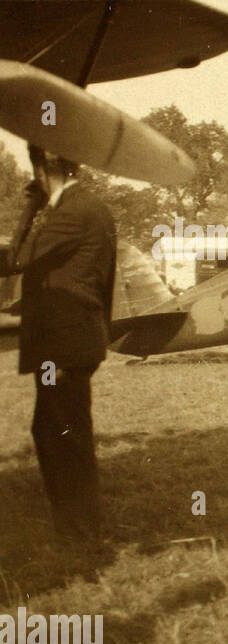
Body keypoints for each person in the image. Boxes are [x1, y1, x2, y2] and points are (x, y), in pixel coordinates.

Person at [0, 147, 115, 546]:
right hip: (72, 343)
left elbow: (16, 257)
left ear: (41, 169)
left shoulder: (71, 212)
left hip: (62, 348)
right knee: (55, 429)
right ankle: (75, 526)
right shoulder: (89, 207)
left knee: (62, 433)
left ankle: (80, 532)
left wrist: (31, 206)